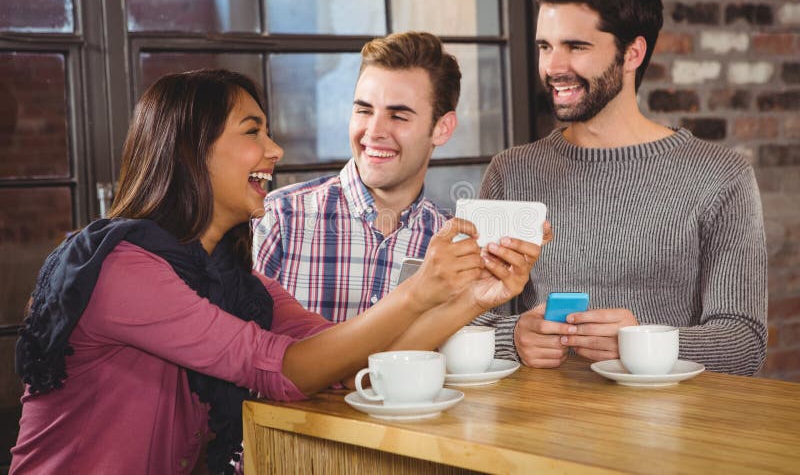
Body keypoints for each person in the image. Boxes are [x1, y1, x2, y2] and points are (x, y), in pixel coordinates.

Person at [10, 69, 547, 474]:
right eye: (253, 132)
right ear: (192, 152)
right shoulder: (125, 272)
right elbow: (284, 370)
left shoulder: (234, 283)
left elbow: (349, 360)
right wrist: (419, 292)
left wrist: (474, 299)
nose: (275, 149)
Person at [472, 0, 767, 376]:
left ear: (632, 53)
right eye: (545, 46)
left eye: (576, 47)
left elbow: (744, 343)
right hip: (536, 429)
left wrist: (643, 343)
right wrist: (513, 337)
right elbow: (467, 318)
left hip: (670, 430)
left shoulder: (722, 176)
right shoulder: (511, 172)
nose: (553, 67)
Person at [252, 31, 460, 321]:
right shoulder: (279, 219)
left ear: (442, 128)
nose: (374, 132)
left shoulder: (453, 246)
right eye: (364, 110)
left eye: (398, 116)